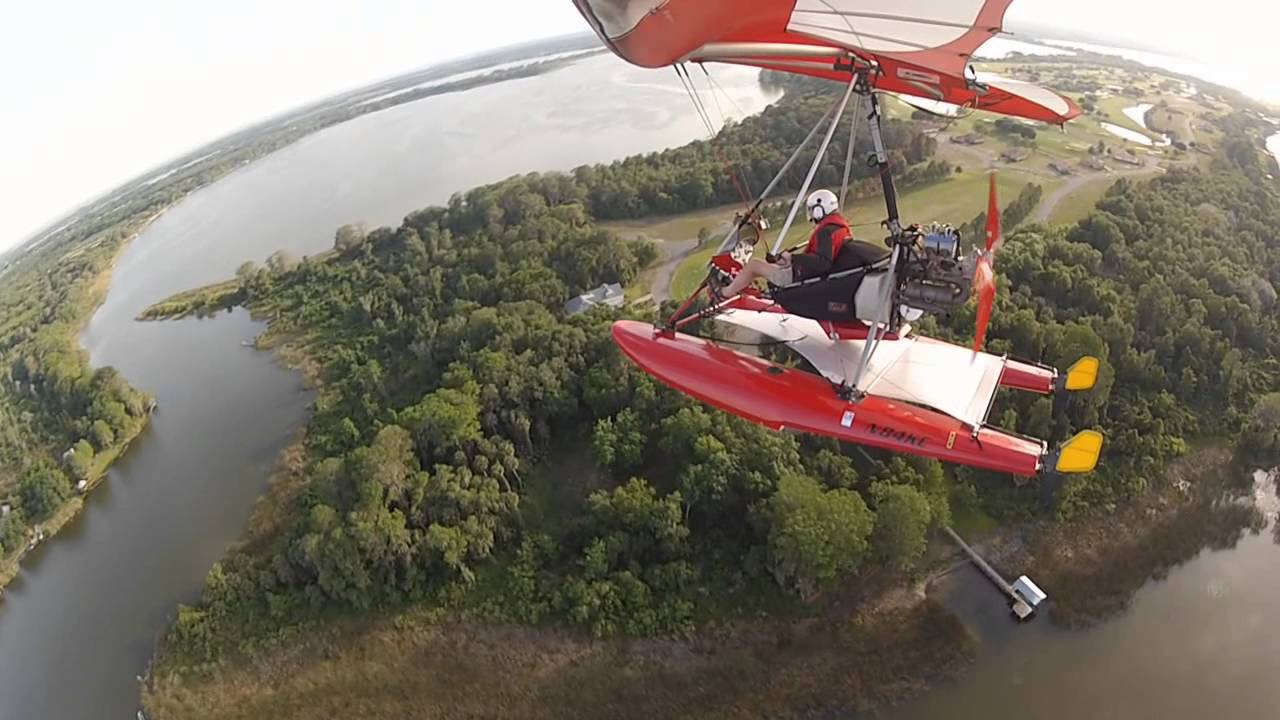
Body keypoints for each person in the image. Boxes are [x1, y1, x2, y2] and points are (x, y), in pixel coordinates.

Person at [718, 189, 860, 299]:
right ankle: (740, 285)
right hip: (809, 274)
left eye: (811, 209)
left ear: (819, 209)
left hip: (800, 279)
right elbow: (821, 259)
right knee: (772, 264)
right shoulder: (839, 227)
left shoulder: (825, 232)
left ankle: (726, 293)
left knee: (754, 265)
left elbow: (823, 262)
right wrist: (790, 260)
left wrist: (793, 258)